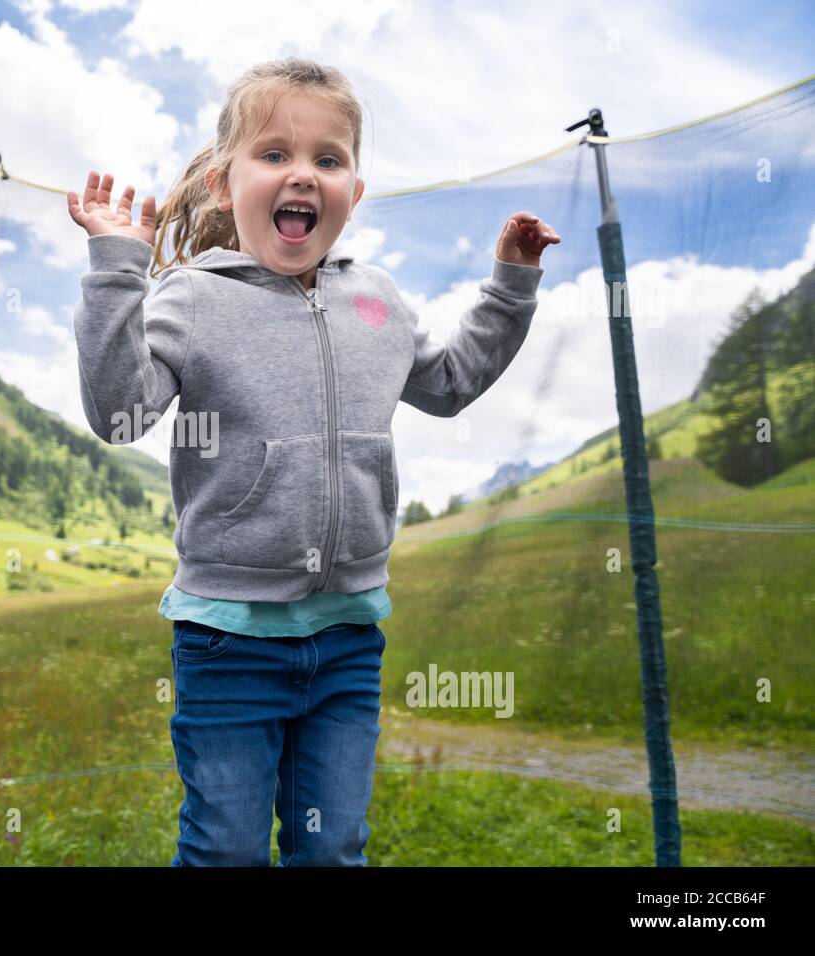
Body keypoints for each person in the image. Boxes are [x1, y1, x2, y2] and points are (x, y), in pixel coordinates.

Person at [67, 57, 560, 866]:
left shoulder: (380, 301)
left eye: (328, 160)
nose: (303, 175)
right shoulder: (192, 298)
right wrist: (119, 270)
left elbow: (449, 384)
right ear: (226, 184)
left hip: (347, 638)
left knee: (332, 851)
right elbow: (120, 414)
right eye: (275, 155)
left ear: (353, 194)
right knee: (225, 850)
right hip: (227, 641)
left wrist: (509, 286)